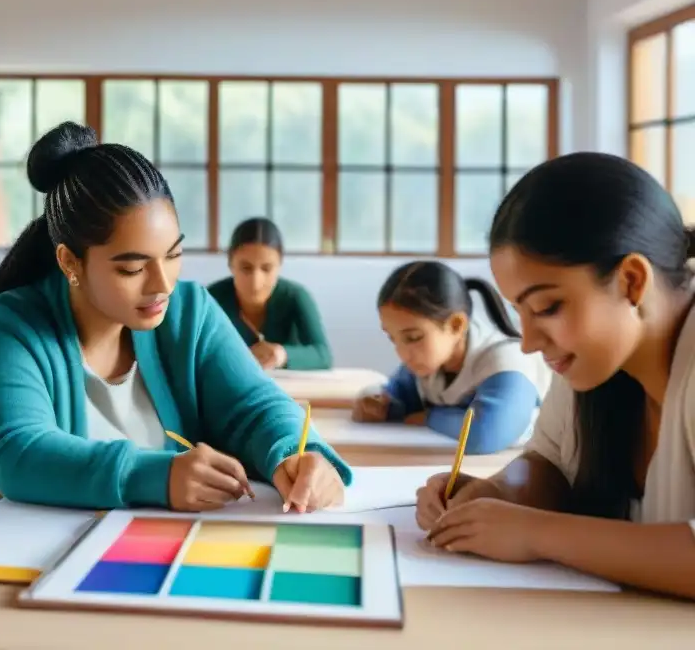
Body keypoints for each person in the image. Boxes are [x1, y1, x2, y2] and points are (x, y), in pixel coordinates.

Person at [0, 123, 351, 548]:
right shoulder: (5, 328)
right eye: (133, 268)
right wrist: (159, 477)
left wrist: (295, 454)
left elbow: (253, 405)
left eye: (173, 255)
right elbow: (20, 454)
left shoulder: (189, 309)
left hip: (123, 547)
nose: (162, 285)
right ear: (70, 262)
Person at [415, 153, 695, 601]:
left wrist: (535, 533)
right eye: (519, 313)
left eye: (547, 308)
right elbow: (551, 463)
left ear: (631, 281)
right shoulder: (596, 359)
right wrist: (497, 492)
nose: (527, 341)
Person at [352, 261, 550, 454]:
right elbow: (399, 394)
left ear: (456, 325)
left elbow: (485, 434)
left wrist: (429, 417)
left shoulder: (506, 360)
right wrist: (376, 403)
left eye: (413, 338)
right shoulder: (429, 361)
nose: (402, 354)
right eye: (392, 338)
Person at [207, 218, 331, 371]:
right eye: (246, 268)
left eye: (266, 269)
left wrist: (282, 355)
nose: (256, 283)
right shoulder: (211, 298)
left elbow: (323, 355)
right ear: (230, 263)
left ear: (280, 265)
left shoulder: (296, 297)